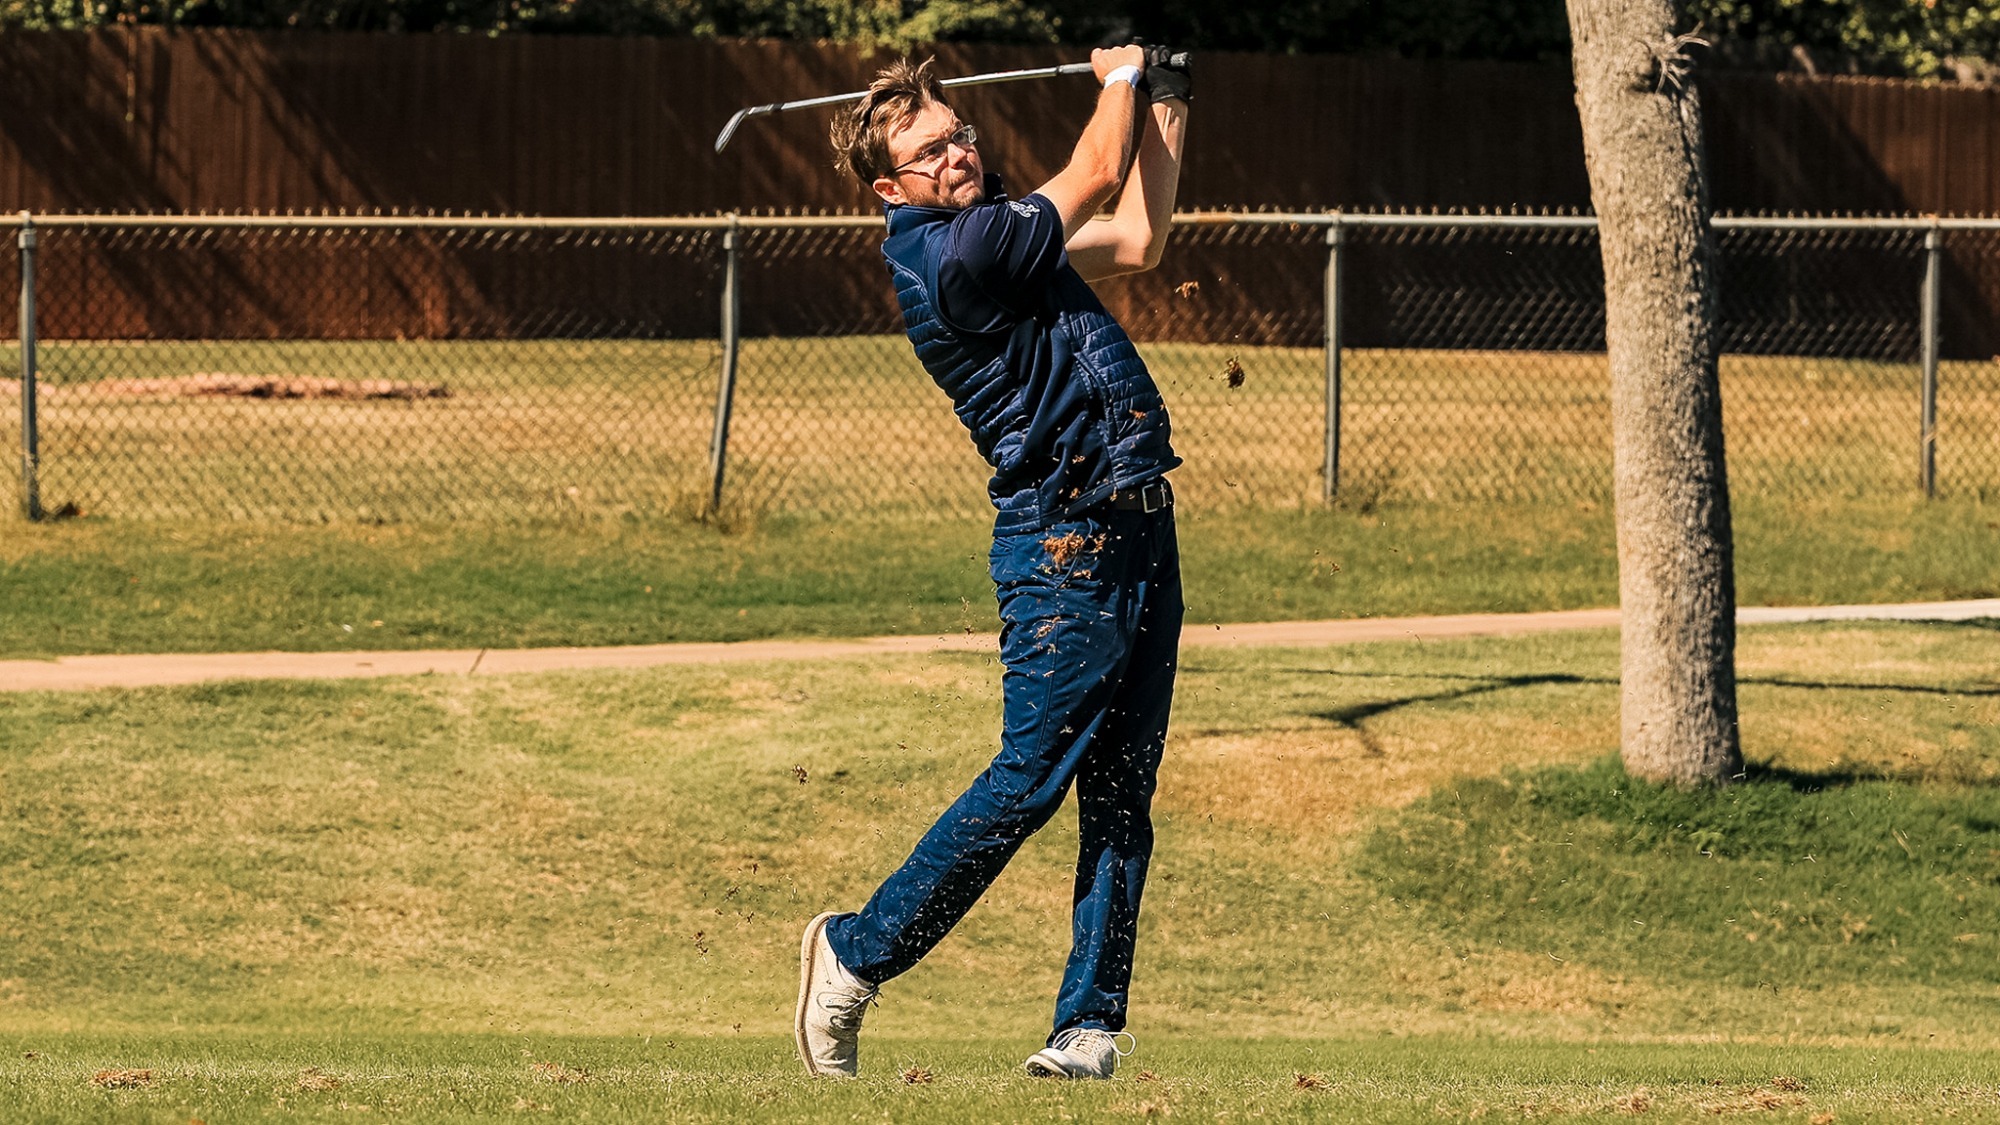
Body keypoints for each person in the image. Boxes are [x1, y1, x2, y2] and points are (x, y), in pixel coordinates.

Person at [797, 44, 1191, 1081]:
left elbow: (1140, 236)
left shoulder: (1007, 239)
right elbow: (1096, 173)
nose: (958, 155)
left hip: (1137, 524)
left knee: (1122, 791)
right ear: (891, 190)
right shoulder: (958, 253)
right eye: (930, 152)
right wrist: (1118, 77)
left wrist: (1166, 95)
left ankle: (1086, 1027)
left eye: (959, 135)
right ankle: (854, 954)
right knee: (1027, 781)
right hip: (1063, 542)